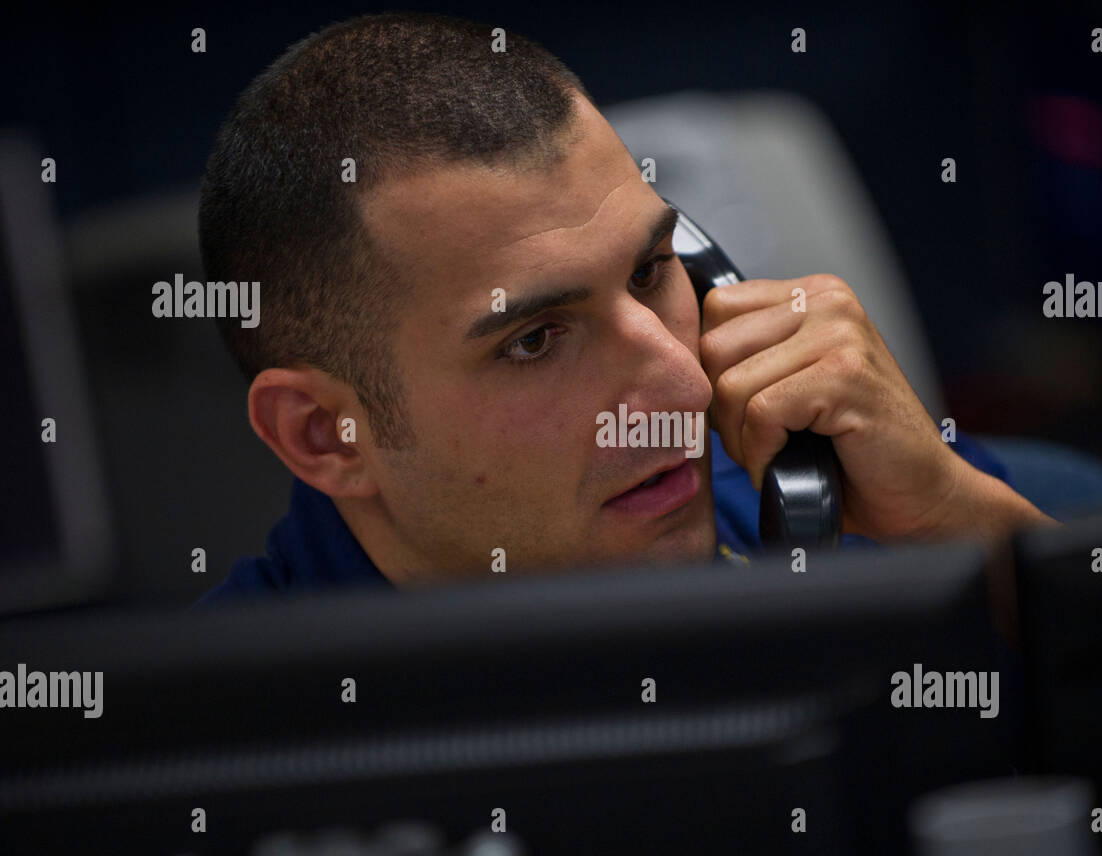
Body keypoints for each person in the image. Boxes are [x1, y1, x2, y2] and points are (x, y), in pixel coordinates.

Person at [196, 12, 1052, 605]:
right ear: (323, 433)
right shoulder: (210, 751)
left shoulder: (833, 502)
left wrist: (950, 516)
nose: (686, 388)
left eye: (651, 271)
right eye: (534, 341)